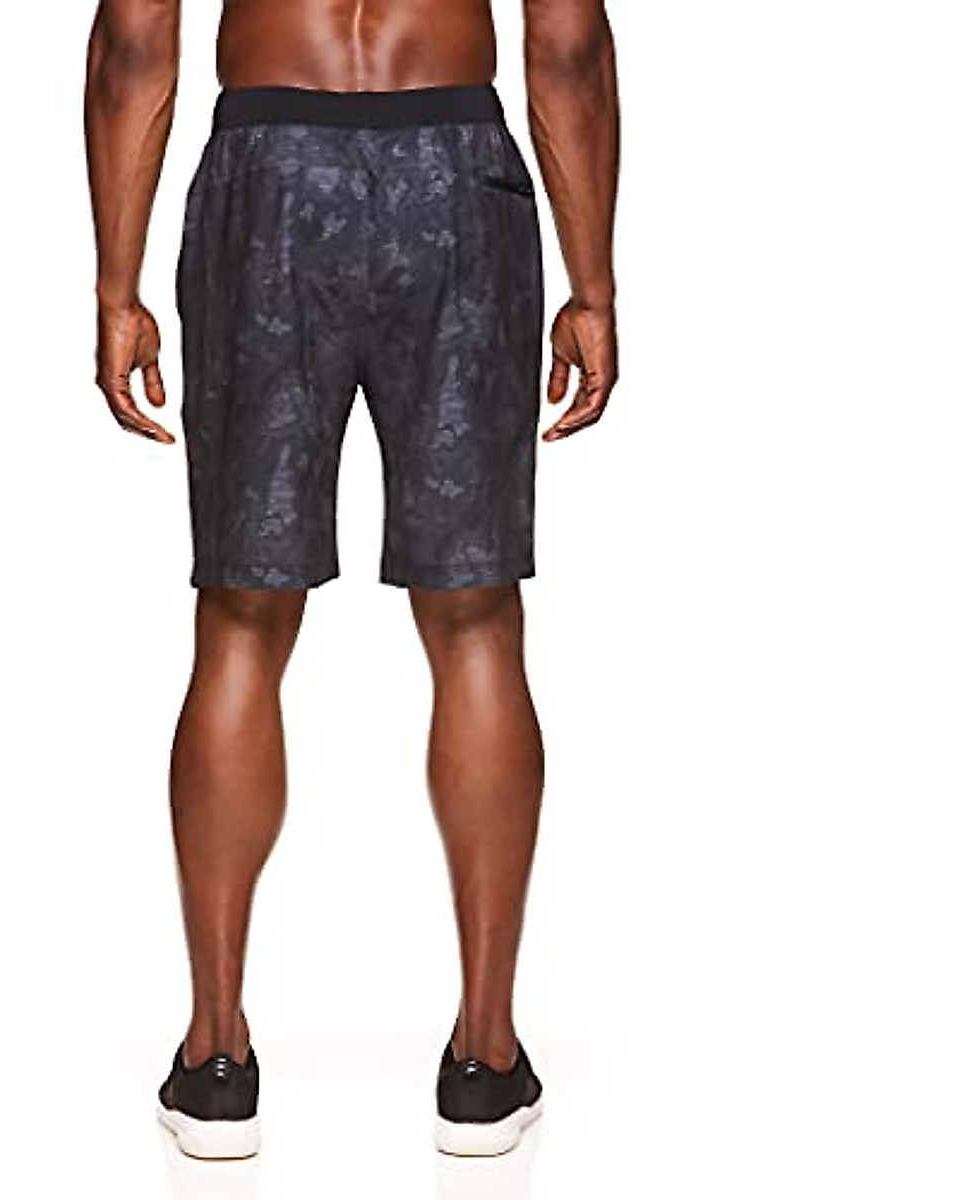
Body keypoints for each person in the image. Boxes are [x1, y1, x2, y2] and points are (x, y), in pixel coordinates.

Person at [84, 0, 619, 1160]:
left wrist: (116, 289)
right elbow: (569, 47)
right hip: (457, 182)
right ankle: (485, 1062)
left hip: (269, 175)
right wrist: (594, 287)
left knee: (240, 618)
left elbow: (133, 43)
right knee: (475, 617)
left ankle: (215, 1058)